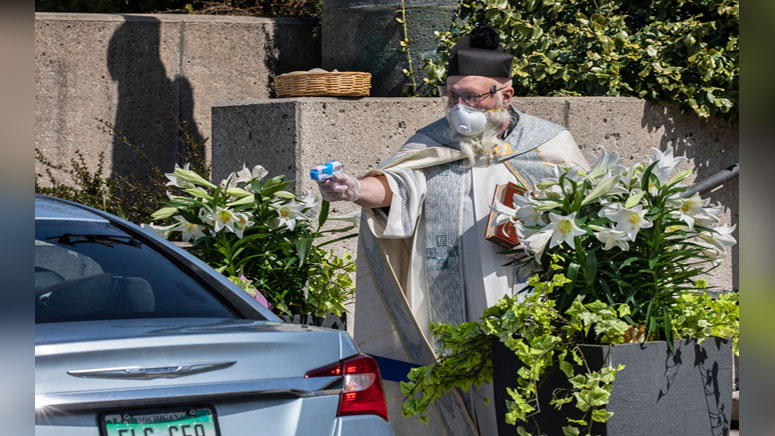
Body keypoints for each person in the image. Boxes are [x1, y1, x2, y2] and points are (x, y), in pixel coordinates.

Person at [316, 26, 590, 436]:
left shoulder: (548, 144)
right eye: (453, 96)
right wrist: (354, 188)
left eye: (472, 96)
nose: (460, 106)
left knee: (524, 390)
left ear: (505, 95)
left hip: (523, 291)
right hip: (447, 293)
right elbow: (397, 186)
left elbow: (585, 208)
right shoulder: (432, 141)